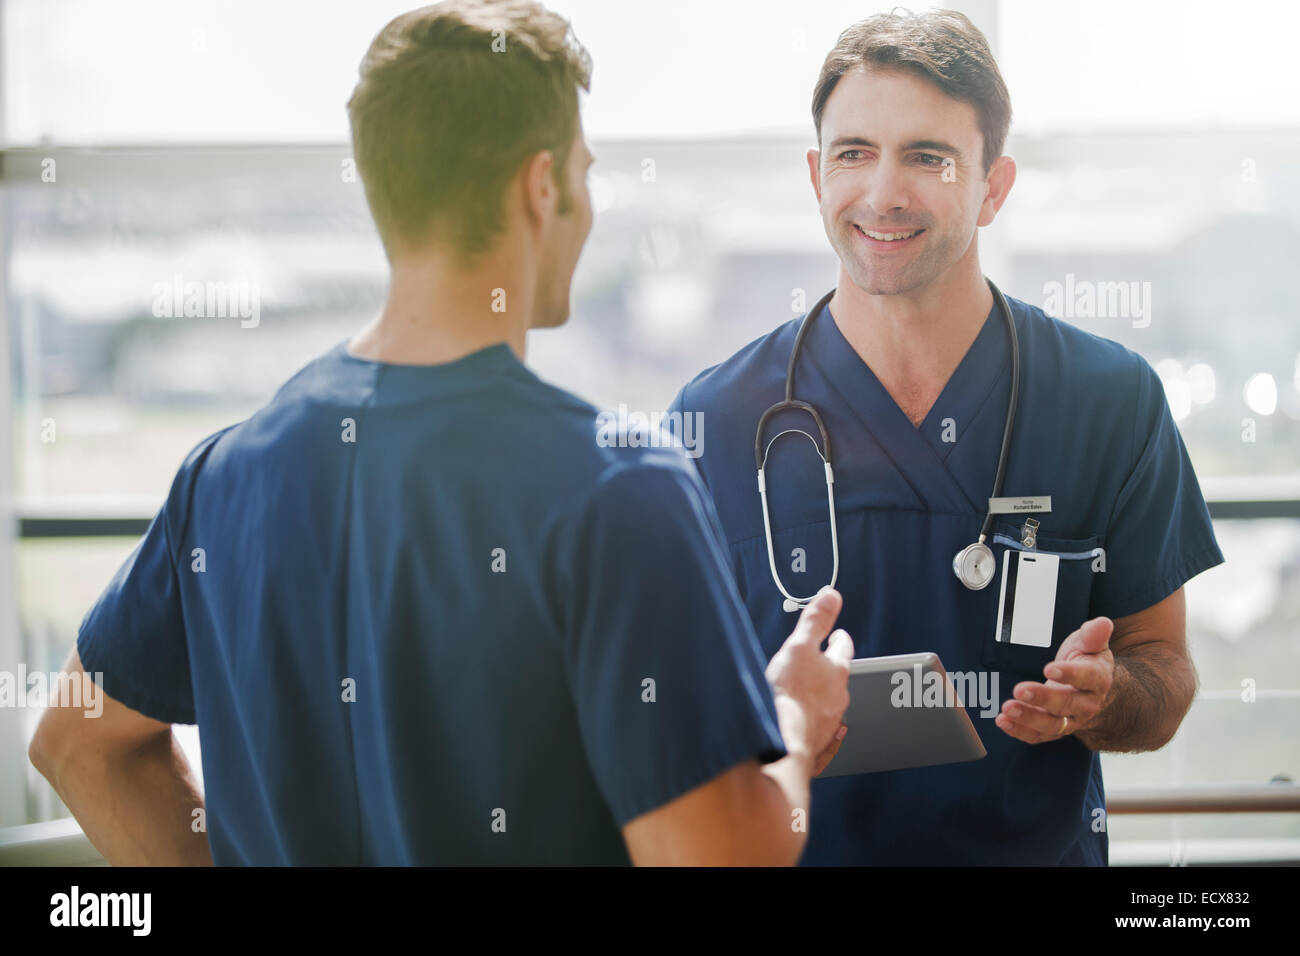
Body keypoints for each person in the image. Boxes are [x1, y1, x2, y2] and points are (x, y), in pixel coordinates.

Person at [28, 0, 853, 866]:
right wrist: (793, 718)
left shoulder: (225, 473)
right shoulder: (619, 485)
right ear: (544, 188)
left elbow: (76, 744)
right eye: (585, 169)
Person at [670, 9, 1225, 865]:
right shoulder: (713, 422)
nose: (883, 193)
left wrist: (1108, 697)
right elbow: (665, 707)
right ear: (817, 176)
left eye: (928, 158)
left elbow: (1165, 672)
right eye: (854, 153)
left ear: (993, 187)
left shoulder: (1109, 401)